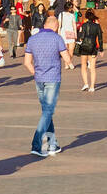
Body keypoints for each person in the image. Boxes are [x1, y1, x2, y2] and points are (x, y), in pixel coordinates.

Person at [24, 13, 75, 157]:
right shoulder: (57, 38)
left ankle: (53, 144)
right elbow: (67, 60)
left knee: (46, 111)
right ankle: (36, 144)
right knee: (48, 111)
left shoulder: (32, 39)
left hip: (39, 78)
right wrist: (70, 51)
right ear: (55, 26)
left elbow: (27, 62)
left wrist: (35, 73)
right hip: (52, 78)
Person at [76, 8, 104, 92]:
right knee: (92, 68)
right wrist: (101, 49)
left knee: (83, 65)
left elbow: (81, 37)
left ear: (87, 17)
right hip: (93, 47)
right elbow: (100, 38)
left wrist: (80, 39)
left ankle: (86, 84)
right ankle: (92, 86)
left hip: (84, 47)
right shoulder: (97, 26)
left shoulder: (83, 25)